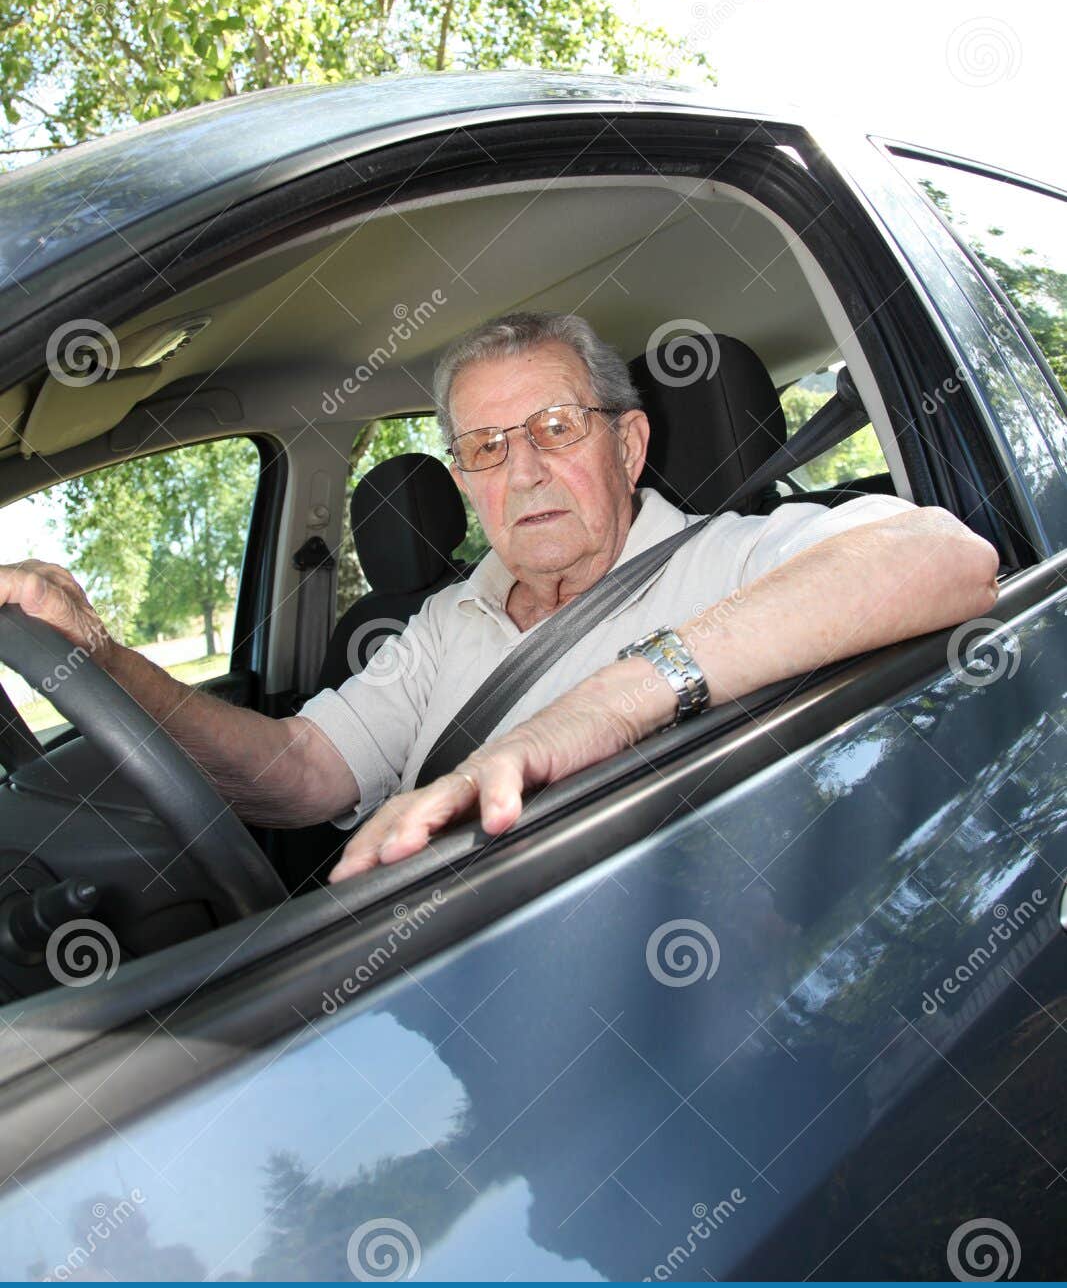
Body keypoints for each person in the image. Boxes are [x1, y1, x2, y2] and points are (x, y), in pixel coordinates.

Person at [0, 312, 1000, 885]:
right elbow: (298, 774)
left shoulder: (726, 562)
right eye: (484, 448)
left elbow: (945, 555)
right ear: (465, 479)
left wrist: (588, 713)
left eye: (555, 428)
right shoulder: (446, 616)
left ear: (629, 443)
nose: (520, 473)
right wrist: (99, 651)